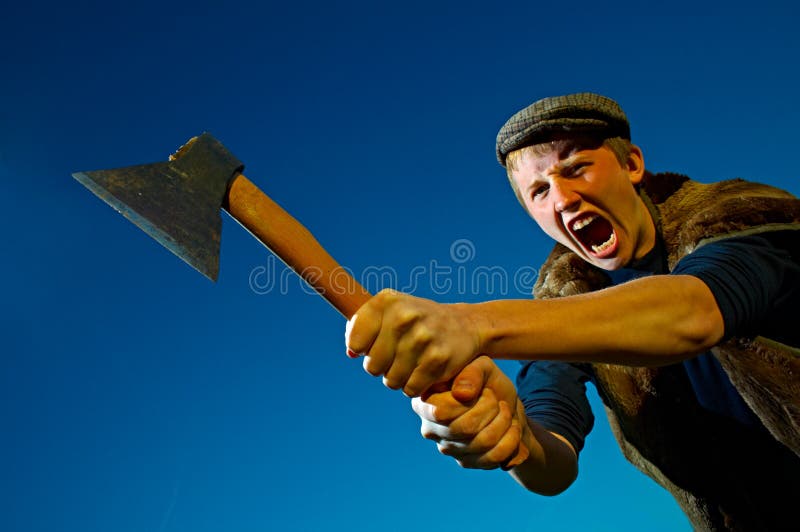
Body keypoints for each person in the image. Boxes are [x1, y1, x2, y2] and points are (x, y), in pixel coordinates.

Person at [345, 93, 800, 529]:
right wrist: (508, 434)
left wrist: (472, 323)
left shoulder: (738, 217)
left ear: (632, 165)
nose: (562, 200)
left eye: (577, 168)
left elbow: (693, 313)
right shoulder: (561, 305)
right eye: (539, 191)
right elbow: (553, 468)